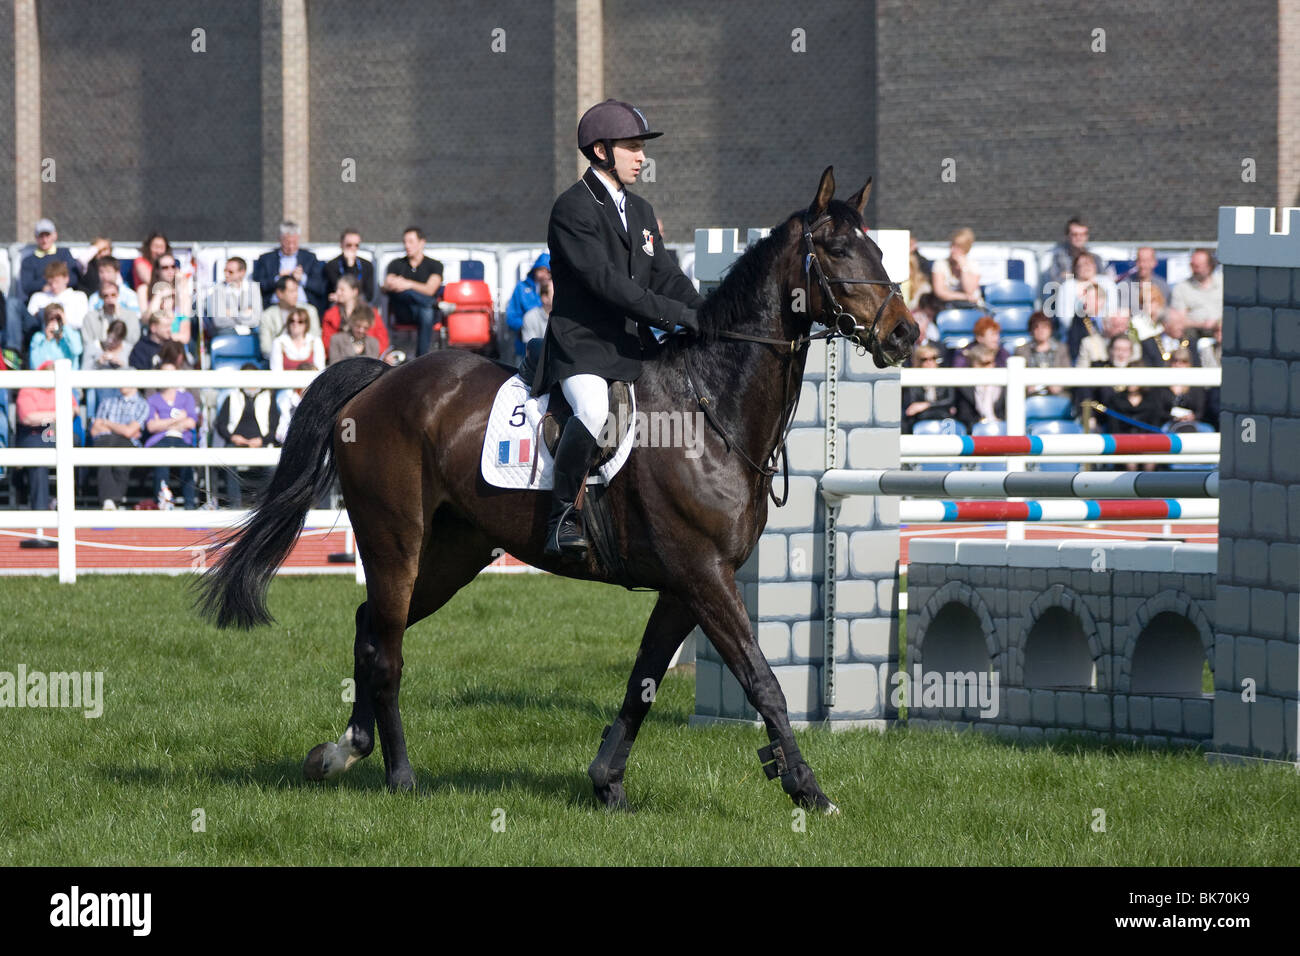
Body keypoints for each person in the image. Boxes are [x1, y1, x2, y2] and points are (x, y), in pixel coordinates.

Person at [534, 98, 702, 559]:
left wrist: (705, 312)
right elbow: (607, 285)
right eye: (632, 147)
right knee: (591, 410)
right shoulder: (572, 209)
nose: (642, 156)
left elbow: (665, 274)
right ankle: (562, 515)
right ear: (602, 151)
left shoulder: (642, 212)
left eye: (640, 148)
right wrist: (674, 317)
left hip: (632, 342)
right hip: (583, 345)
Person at [6, 219, 84, 354]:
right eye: (41, 236)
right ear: (36, 238)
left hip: (65, 321)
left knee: (58, 312)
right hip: (38, 320)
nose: (44, 239)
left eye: (47, 235)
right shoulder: (29, 261)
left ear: (54, 235)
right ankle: (13, 352)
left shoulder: (64, 253)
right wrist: (48, 286)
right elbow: (27, 286)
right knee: (13, 304)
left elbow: (74, 278)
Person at [215, 362, 280, 507]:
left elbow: (275, 427)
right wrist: (232, 437)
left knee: (272, 467)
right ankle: (234, 504)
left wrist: (261, 440)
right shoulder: (231, 397)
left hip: (262, 444)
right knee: (228, 462)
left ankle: (266, 505)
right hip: (236, 443)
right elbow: (221, 424)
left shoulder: (269, 397)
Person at [14, 360, 76, 511]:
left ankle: (67, 504)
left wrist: (45, 416)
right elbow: (28, 417)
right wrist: (57, 414)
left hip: (54, 430)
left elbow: (73, 411)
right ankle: (40, 508)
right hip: (33, 433)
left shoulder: (61, 387)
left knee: (73, 442)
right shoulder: (28, 389)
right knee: (38, 454)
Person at [381, 227, 444, 357]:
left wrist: (408, 284)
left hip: (425, 314)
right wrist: (411, 288)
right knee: (405, 295)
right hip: (404, 312)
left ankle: (420, 358)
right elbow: (388, 285)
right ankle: (423, 359)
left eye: (411, 241)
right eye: (405, 241)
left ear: (422, 242)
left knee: (425, 311)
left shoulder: (435, 265)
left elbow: (430, 289)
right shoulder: (396, 264)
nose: (407, 245)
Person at [144, 361, 199, 507]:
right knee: (161, 460)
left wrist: (163, 422)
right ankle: (163, 503)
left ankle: (190, 504)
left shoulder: (186, 397)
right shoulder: (153, 399)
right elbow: (151, 426)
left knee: (188, 463)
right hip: (161, 439)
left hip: (183, 439)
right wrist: (178, 419)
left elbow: (191, 423)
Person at [89, 382, 150, 509]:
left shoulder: (142, 404)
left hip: (125, 442)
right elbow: (94, 430)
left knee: (120, 462)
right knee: (103, 454)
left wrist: (107, 423)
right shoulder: (107, 401)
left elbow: (129, 432)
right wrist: (123, 429)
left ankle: (111, 501)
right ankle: (111, 501)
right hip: (106, 440)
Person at [253, 220, 325, 312]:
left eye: (294, 243)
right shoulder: (266, 259)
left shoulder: (309, 259)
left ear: (298, 239)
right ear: (280, 239)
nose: (291, 247)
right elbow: (257, 286)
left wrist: (302, 278)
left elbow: (320, 287)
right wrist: (277, 279)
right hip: (274, 306)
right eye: (287, 243)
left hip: (303, 306)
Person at [1042, 216, 1112, 301]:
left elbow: (1103, 282)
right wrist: (1083, 276)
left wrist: (1069, 275)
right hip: (1066, 302)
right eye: (1075, 234)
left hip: (1093, 302)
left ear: (1087, 236)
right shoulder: (1059, 258)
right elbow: (1055, 284)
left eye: (1083, 234)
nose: (1079, 238)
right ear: (1067, 236)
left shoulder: (1095, 258)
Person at [320, 274, 388, 354]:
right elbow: (327, 342)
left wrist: (367, 350)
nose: (337, 292)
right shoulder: (330, 315)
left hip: (368, 357)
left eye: (342, 290)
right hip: (340, 359)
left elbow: (382, 340)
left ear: (354, 292)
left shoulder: (371, 313)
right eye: (337, 289)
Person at [259, 275, 321, 360]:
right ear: (279, 294)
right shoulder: (267, 316)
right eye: (292, 291)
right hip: (278, 362)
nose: (296, 295)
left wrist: (299, 356)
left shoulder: (310, 311)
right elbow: (266, 349)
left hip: (307, 361)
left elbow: (315, 338)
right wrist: (285, 358)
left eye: (296, 290)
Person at [505, 253, 552, 360]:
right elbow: (511, 316)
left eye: (548, 271)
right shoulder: (521, 288)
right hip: (524, 348)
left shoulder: (555, 289)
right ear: (534, 270)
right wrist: (526, 326)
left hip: (550, 349)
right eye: (541, 270)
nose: (544, 275)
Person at [1167, 248, 1222, 336]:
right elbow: (1179, 320)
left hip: (1222, 333)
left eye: (1199, 266)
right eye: (1193, 265)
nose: (1195, 270)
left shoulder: (1224, 283)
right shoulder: (1182, 288)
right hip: (1194, 335)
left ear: (1210, 266)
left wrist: (1219, 324)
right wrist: (1202, 325)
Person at [1014, 311, 1070, 395]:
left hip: (1056, 396)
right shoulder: (1021, 351)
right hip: (1030, 396)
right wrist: (1027, 387)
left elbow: (1068, 374)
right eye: (1036, 327)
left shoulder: (1061, 349)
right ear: (1031, 330)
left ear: (1050, 329)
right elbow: (1016, 378)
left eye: (1044, 327)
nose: (1041, 330)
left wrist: (1059, 386)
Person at [902, 344, 956, 432]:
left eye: (933, 358)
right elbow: (912, 405)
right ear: (918, 362)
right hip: (920, 419)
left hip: (943, 416)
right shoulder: (912, 379)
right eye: (925, 359)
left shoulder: (945, 377)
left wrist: (926, 405)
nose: (930, 362)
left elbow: (950, 400)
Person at [26, 260, 89, 332]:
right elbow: (29, 323)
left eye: (57, 281)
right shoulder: (38, 297)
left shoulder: (79, 297)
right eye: (50, 283)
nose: (54, 286)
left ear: (66, 278)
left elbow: (82, 324)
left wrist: (61, 319)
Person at [203, 256, 260, 334]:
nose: (226, 274)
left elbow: (257, 319)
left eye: (230, 272)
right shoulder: (218, 289)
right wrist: (244, 316)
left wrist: (231, 313)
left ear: (242, 272)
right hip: (228, 331)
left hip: (251, 329)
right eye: (225, 271)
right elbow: (219, 321)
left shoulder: (253, 287)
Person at [83, 281, 141, 355]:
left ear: (118, 295)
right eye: (106, 296)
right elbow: (88, 344)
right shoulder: (90, 318)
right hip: (97, 358)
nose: (110, 299)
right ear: (100, 297)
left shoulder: (130, 316)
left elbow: (132, 341)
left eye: (113, 295)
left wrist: (118, 317)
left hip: (123, 357)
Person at [954, 345, 1004, 430]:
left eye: (992, 362)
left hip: (1001, 429)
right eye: (986, 363)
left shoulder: (1003, 385)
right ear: (975, 365)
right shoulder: (965, 388)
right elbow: (964, 415)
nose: (991, 366)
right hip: (974, 431)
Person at [929, 228, 982, 307]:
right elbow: (940, 292)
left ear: (966, 249)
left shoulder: (973, 265)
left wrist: (963, 268)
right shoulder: (940, 264)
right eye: (952, 245)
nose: (953, 250)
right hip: (947, 307)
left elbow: (969, 290)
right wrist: (964, 297)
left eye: (958, 247)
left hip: (971, 307)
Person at [323, 228, 375, 303]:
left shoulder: (367, 266)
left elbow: (369, 295)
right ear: (341, 245)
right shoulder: (332, 266)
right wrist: (349, 266)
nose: (353, 248)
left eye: (356, 245)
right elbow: (337, 289)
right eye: (349, 245)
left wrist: (351, 265)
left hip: (360, 307)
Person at [28, 304, 83, 369]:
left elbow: (77, 350)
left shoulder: (72, 334)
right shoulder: (38, 338)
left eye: (58, 318)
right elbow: (35, 365)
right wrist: (47, 340)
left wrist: (65, 326)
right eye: (51, 319)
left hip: (69, 376)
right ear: (46, 321)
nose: (55, 321)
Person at [132, 232, 170, 304]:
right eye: (156, 247)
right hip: (147, 300)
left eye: (161, 247)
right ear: (148, 247)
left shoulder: (170, 263)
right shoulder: (140, 262)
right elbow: (150, 281)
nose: (158, 251)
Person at [521, 280, 553, 346]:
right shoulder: (530, 317)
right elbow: (533, 348)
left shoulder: (565, 317)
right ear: (545, 298)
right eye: (555, 292)